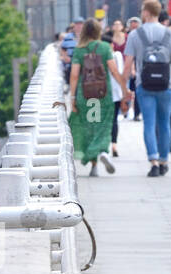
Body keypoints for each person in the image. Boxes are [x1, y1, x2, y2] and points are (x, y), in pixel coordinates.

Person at [123, 0, 171, 177]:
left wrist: (124, 89)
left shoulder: (134, 35)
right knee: (164, 123)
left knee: (149, 123)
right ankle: (163, 160)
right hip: (166, 85)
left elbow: (127, 63)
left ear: (146, 12)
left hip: (144, 86)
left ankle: (153, 161)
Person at [67, 18, 129, 176]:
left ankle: (94, 165)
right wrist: (124, 90)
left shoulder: (79, 50)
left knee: (90, 127)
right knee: (103, 126)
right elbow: (114, 71)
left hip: (85, 96)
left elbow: (74, 75)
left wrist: (73, 98)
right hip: (103, 95)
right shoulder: (104, 48)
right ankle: (103, 152)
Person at [126, 16, 142, 118]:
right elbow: (129, 55)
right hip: (127, 65)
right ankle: (127, 110)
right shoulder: (128, 36)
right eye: (132, 25)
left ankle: (137, 112)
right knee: (130, 90)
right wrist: (131, 68)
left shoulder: (142, 36)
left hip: (140, 66)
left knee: (137, 90)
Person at [59, 18, 83, 84]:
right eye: (77, 24)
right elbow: (63, 48)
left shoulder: (86, 36)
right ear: (74, 26)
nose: (79, 26)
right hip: (71, 65)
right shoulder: (68, 37)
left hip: (83, 65)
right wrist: (65, 57)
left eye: (80, 24)